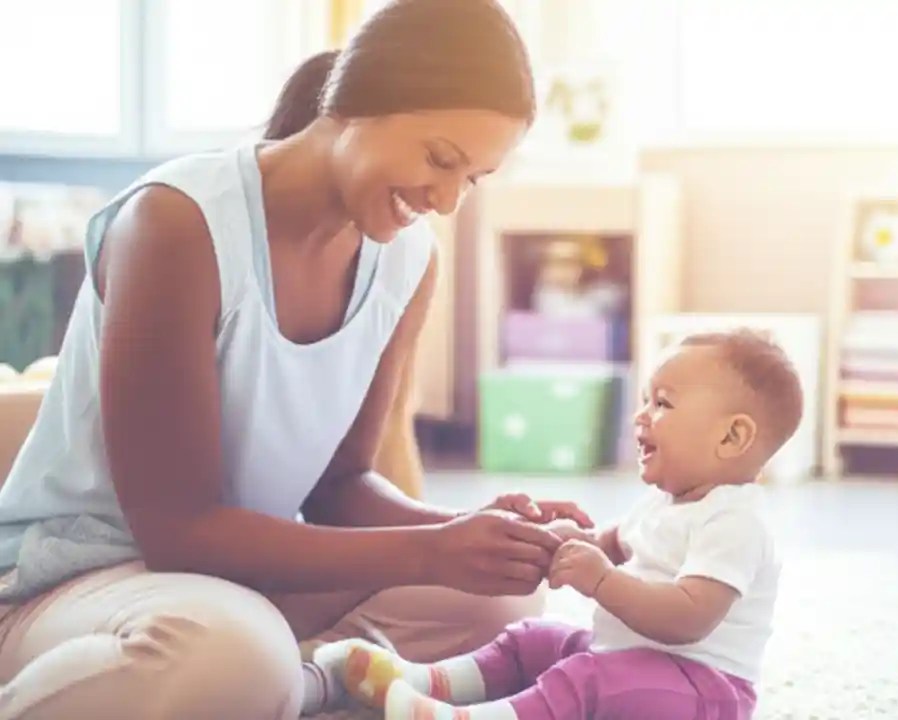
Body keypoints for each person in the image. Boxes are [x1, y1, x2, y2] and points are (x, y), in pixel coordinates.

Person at [0, 2, 585, 718]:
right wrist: (429, 551)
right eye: (440, 159)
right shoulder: (178, 222)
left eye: (474, 178)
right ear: (363, 100)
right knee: (228, 651)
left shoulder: (406, 259)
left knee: (505, 599)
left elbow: (340, 486)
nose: (446, 200)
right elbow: (176, 530)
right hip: (82, 586)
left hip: (240, 584)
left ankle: (284, 691)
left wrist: (475, 535)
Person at [314, 329, 804, 720]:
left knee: (588, 679)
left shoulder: (735, 523)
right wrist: (568, 543)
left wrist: (601, 580)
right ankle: (429, 682)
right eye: (645, 400)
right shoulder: (666, 504)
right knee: (537, 638)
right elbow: (611, 544)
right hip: (637, 662)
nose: (641, 417)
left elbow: (687, 618)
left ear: (732, 436)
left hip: (700, 691)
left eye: (663, 404)